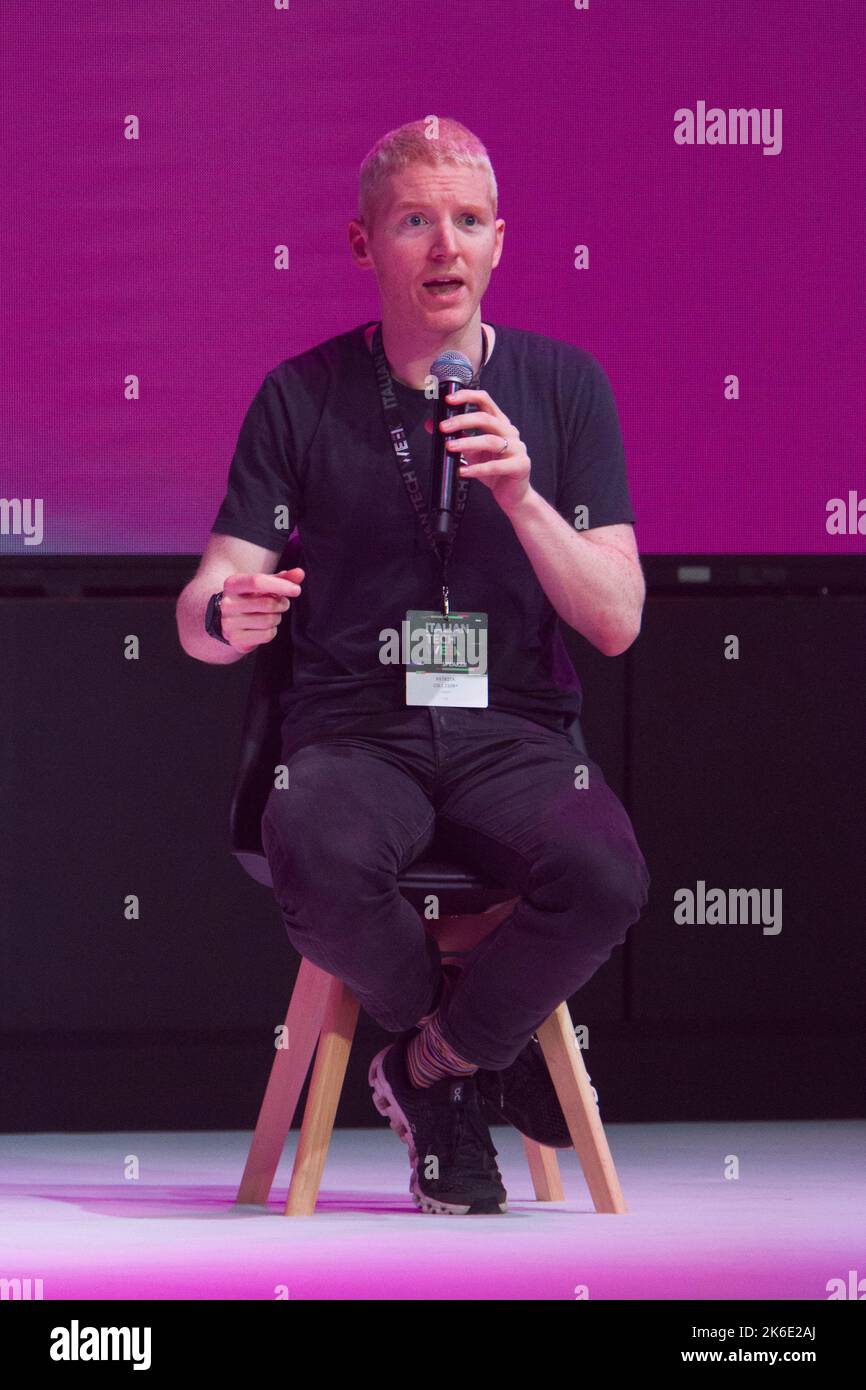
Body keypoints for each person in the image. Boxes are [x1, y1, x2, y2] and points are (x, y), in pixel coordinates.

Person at [176, 117, 650, 1215]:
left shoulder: (564, 389)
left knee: (606, 875)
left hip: (514, 736)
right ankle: (473, 1057)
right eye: (414, 221)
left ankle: (425, 1070)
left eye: (468, 221)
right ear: (362, 245)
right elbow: (204, 600)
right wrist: (224, 615)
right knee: (317, 848)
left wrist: (523, 498)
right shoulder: (301, 395)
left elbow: (617, 618)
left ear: (498, 244)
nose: (445, 245)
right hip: (353, 735)